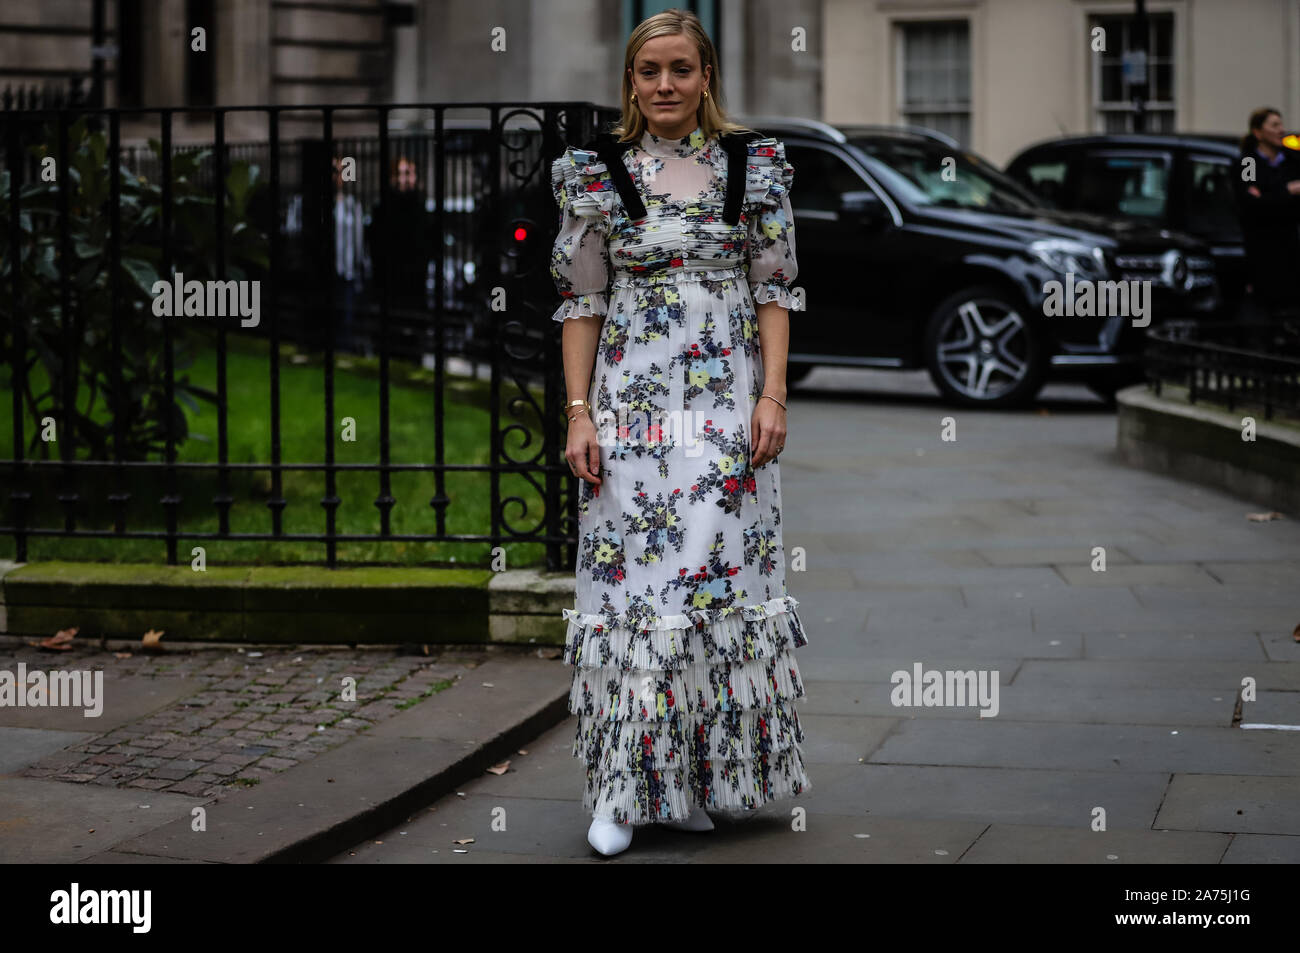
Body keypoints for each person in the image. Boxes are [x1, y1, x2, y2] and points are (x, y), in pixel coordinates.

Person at [548, 8, 812, 857]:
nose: (665, 85)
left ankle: (692, 781)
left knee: (710, 591)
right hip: (633, 417)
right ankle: (624, 792)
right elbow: (582, 304)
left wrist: (773, 397)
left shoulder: (752, 167)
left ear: (706, 78)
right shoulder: (597, 175)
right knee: (640, 597)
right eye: (650, 71)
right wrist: (579, 412)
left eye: (681, 70)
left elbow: (775, 288)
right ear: (631, 81)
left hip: (730, 413)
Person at [1232, 106, 1300, 320]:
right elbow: (1252, 204)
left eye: (1281, 124)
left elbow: (1265, 201)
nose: (1281, 130)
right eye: (1274, 125)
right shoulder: (1248, 162)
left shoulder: (1292, 161)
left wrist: (1267, 195)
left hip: (1290, 250)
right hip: (1261, 253)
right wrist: (1288, 190)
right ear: (1258, 132)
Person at [366, 156, 433, 315]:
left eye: (409, 173)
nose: (405, 178)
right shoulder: (383, 209)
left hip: (415, 287)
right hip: (391, 286)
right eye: (400, 173)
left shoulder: (420, 208)